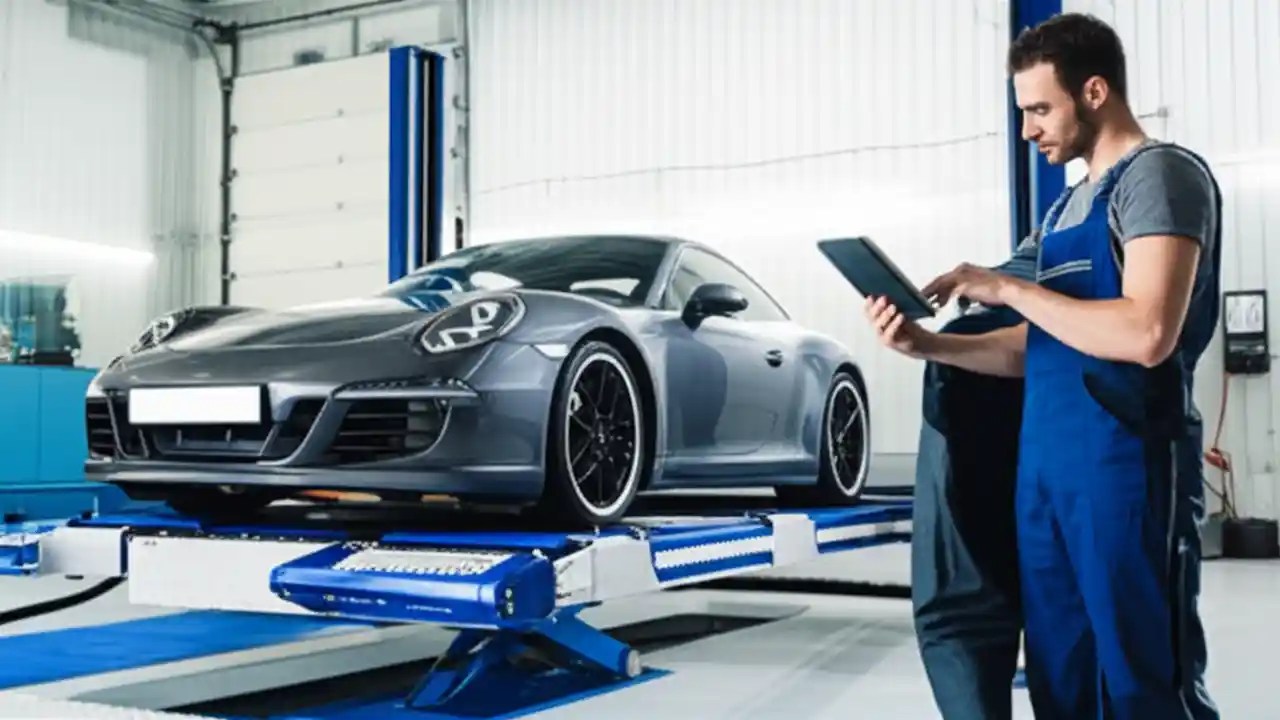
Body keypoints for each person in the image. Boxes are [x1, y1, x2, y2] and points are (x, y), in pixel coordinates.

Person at [869, 13, 1222, 720]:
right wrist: (930, 346)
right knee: (1062, 683)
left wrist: (1007, 288)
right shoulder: (1063, 210)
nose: (1029, 129)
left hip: (1128, 469)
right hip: (1048, 477)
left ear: (1094, 91)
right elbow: (1041, 346)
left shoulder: (1158, 178)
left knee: (1142, 679)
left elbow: (1148, 330)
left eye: (1039, 108)